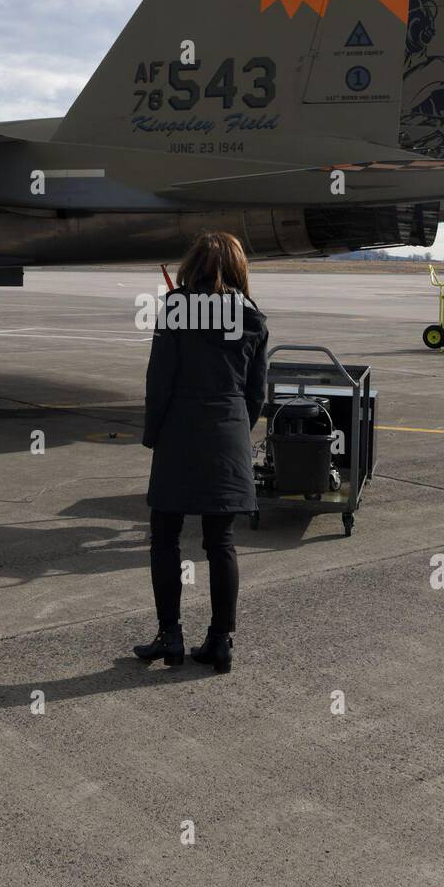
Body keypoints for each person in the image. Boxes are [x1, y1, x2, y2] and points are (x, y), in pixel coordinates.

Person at [134, 231, 268, 674]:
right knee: (221, 542)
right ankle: (220, 640)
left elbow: (160, 381)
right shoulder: (252, 315)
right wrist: (235, 431)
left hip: (179, 433)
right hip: (227, 434)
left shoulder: (176, 308)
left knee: (165, 538)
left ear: (192, 266)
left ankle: (170, 634)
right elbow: (256, 392)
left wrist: (153, 435)